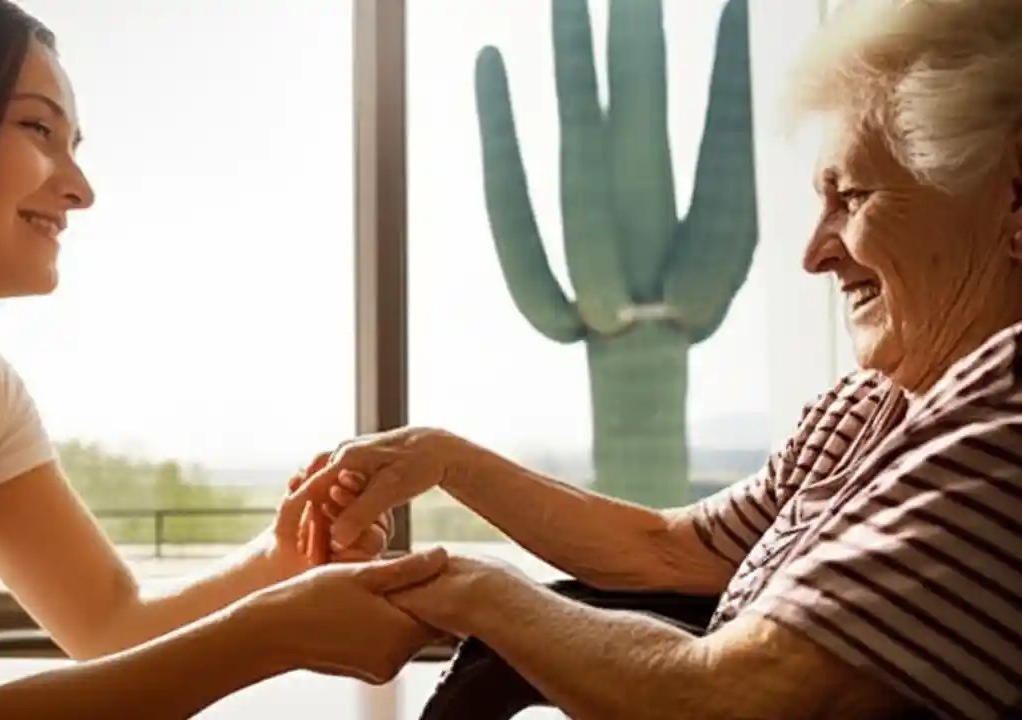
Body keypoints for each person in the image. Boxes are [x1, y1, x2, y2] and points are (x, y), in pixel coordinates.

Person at [297, 0, 1022, 717]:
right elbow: (668, 550)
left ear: (1014, 197)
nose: (813, 253)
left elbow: (730, 701)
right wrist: (446, 460)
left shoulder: (1004, 419)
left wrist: (473, 590)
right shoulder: (871, 407)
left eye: (853, 198)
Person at [0, 1, 444, 718]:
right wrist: (274, 633)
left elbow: (112, 624)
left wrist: (282, 560)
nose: (80, 189)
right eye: (39, 129)